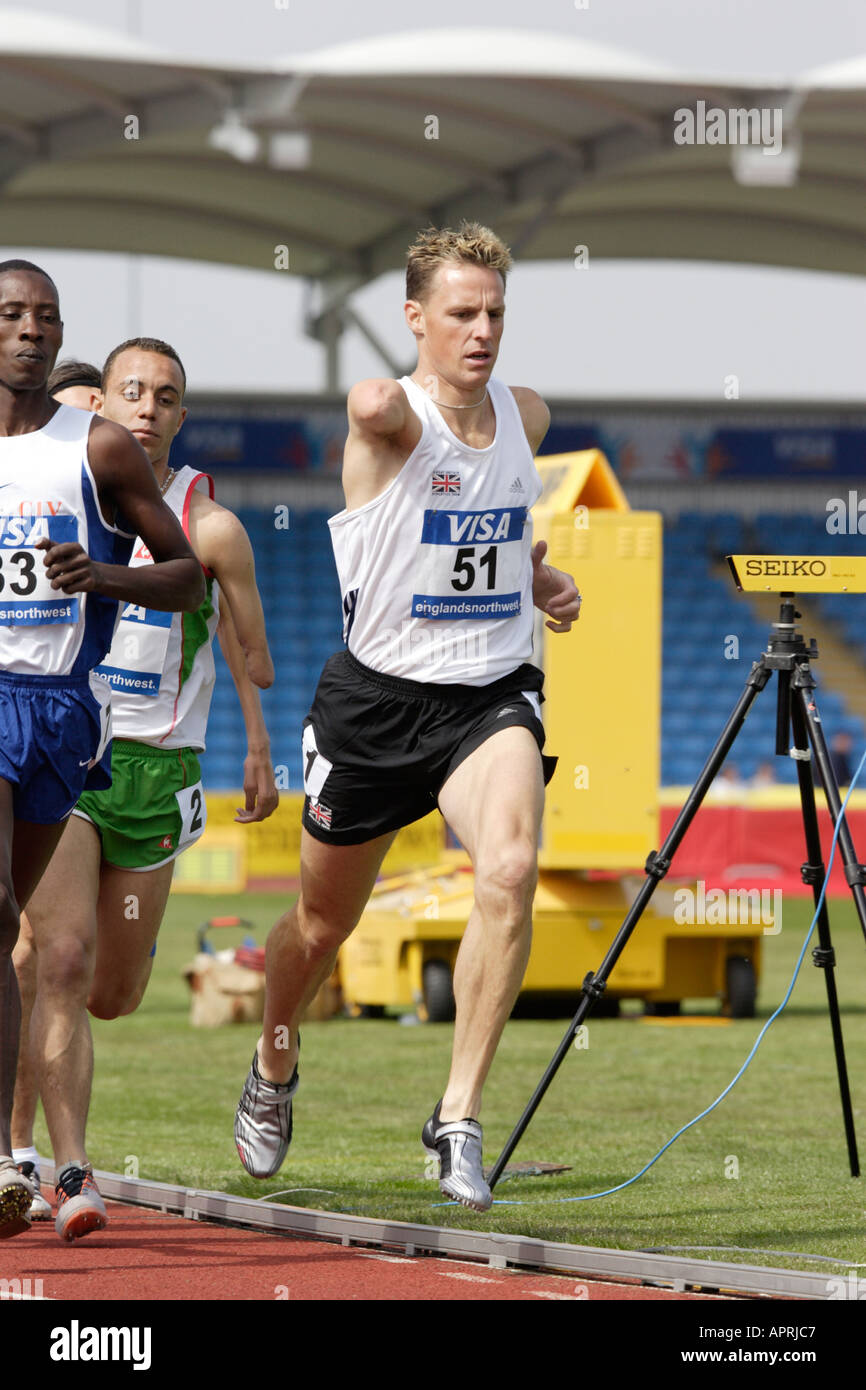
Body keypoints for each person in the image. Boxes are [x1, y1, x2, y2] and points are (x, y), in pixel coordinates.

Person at [235, 222, 581, 1212]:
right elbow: (371, 403)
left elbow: (494, 531)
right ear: (415, 318)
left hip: (487, 694)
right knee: (319, 922)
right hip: (377, 703)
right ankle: (272, 1058)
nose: (481, 332)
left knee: (510, 865)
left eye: (495, 314)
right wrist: (381, 397)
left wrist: (540, 575)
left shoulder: (526, 414)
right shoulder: (391, 421)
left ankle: (458, 1117)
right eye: (460, 314)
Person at [10, 336, 278, 1242]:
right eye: (130, 392)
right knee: (62, 959)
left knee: (111, 991)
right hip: (76, 748)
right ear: (102, 407)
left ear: (180, 415)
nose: (145, 408)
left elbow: (249, 649)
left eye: (165, 396)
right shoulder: (51, 490)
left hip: (164, 765)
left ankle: (32, 1056)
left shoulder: (209, 524)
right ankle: (52, 1167)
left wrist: (257, 747)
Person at [0, 261, 204, 1238]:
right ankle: (19, 1160)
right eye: (9, 314)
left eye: (44, 317)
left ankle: (31, 1158)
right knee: (4, 916)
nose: (29, 331)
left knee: (54, 958)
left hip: (65, 716)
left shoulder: (97, 450)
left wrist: (104, 578)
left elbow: (186, 577)